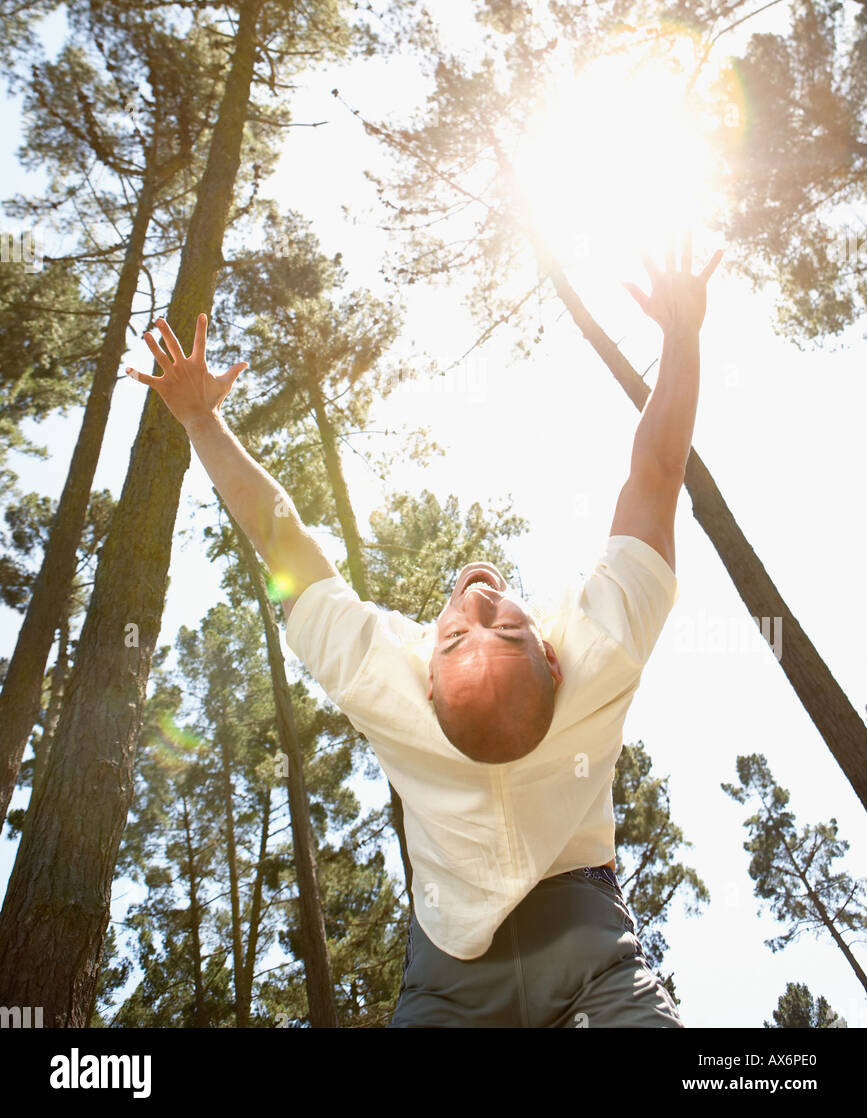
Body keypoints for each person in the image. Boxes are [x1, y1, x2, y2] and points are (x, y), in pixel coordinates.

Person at [127, 231, 722, 1028]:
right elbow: (656, 471)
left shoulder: (385, 680)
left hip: (453, 980)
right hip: (583, 949)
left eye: (458, 633)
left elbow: (281, 540)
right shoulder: (599, 647)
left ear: (424, 678)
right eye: (494, 628)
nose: (474, 603)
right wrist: (681, 336)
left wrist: (202, 423)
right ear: (548, 650)